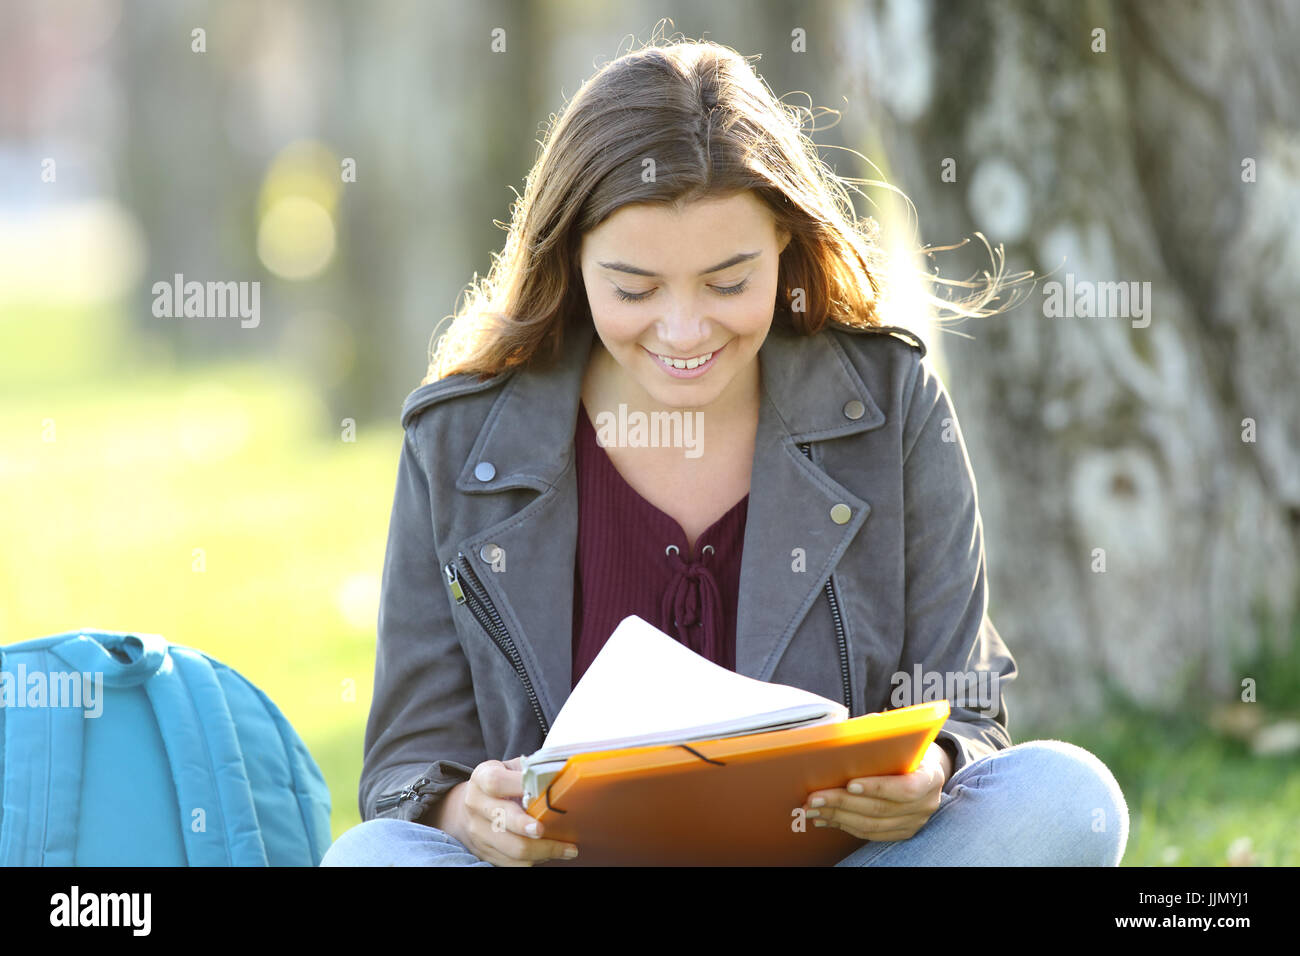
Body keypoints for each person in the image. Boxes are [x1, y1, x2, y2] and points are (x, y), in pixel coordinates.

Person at [322, 35, 1128, 867]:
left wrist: (935, 766)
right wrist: (464, 812)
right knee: (371, 858)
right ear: (570, 257)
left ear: (784, 240)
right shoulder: (457, 442)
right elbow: (405, 765)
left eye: (729, 282)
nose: (684, 331)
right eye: (634, 289)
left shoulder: (890, 403)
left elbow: (962, 698)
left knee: (1068, 799)